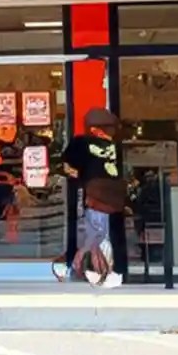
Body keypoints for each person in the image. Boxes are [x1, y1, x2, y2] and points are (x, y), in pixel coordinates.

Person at [58, 107, 127, 288]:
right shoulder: (117, 145)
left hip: (94, 192)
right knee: (101, 234)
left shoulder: (81, 142)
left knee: (95, 233)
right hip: (114, 194)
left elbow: (66, 166)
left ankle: (86, 268)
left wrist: (80, 178)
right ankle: (95, 268)